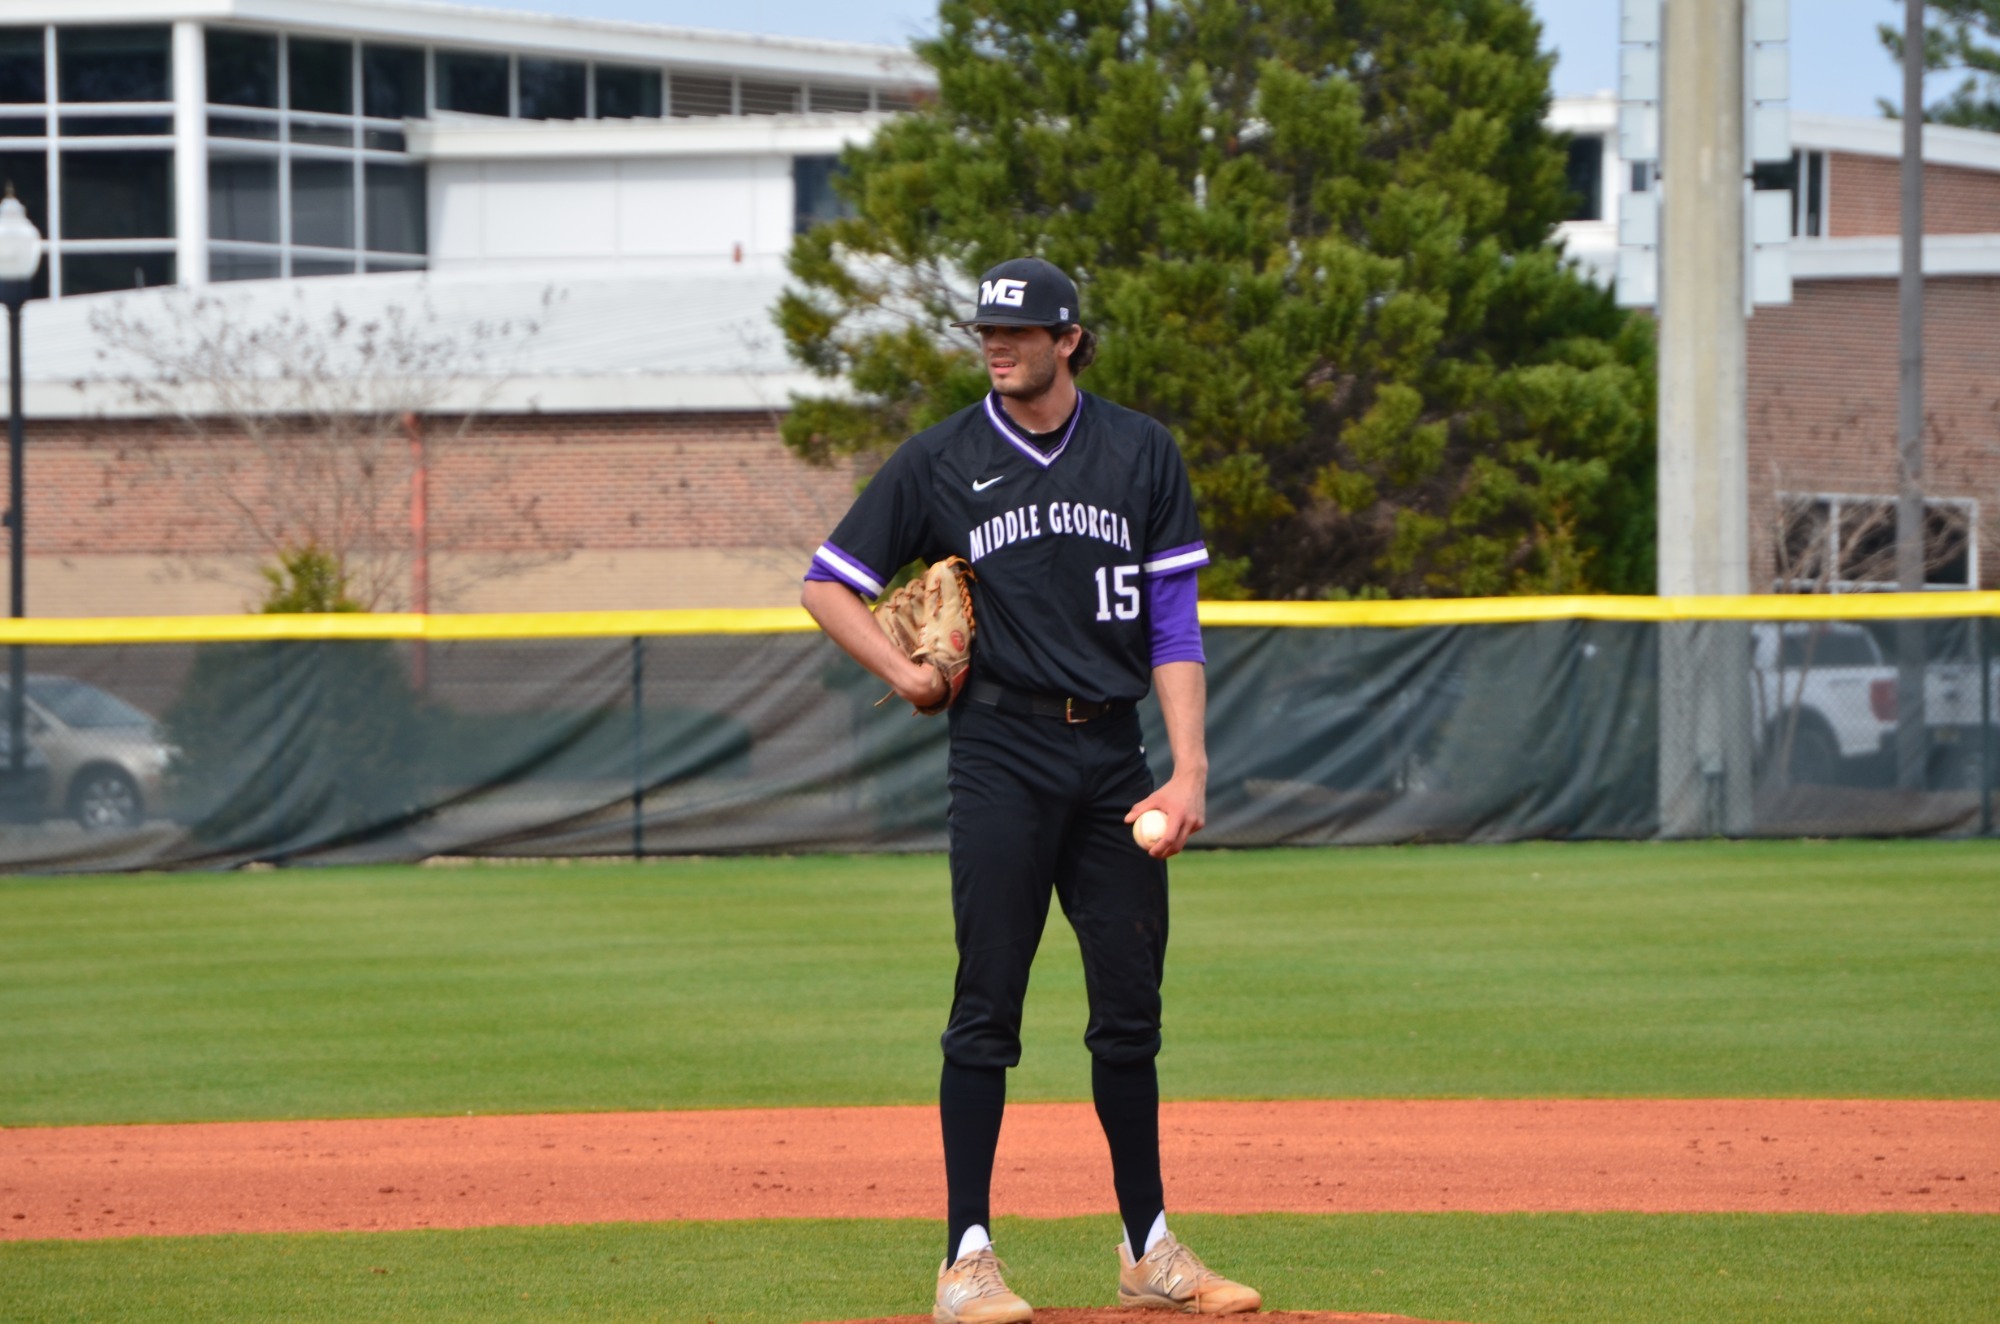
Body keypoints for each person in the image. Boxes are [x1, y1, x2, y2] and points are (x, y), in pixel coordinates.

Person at [801, 257, 1261, 1323]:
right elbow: (827, 583)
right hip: (999, 750)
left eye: (1018, 331)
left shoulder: (1140, 450)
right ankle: (965, 1258)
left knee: (1128, 1014)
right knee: (986, 1007)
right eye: (985, 332)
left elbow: (1173, 627)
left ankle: (1148, 1250)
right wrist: (905, 672)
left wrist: (1187, 769)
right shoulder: (941, 458)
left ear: (1069, 338)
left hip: (1114, 757)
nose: (995, 346)